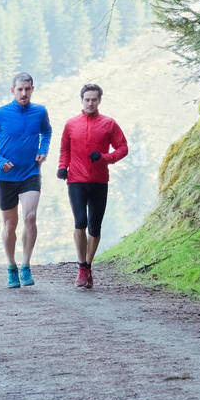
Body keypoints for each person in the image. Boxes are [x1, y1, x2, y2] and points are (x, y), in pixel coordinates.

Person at [57, 83, 128, 290]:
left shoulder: (109, 124)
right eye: (87, 99)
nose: (90, 103)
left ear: (99, 100)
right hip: (76, 180)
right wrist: (62, 167)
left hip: (99, 181)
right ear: (82, 100)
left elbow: (123, 148)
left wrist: (105, 157)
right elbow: (64, 149)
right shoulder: (71, 124)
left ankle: (88, 265)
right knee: (80, 222)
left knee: (95, 226)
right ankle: (81, 267)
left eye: (94, 99)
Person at [0, 72, 52, 289]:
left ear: (32, 89)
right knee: (9, 225)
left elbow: (47, 132)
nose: (24, 93)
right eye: (20, 89)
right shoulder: (0, 114)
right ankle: (11, 266)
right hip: (6, 177)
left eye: (27, 89)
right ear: (13, 90)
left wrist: (43, 150)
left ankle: (26, 265)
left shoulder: (40, 112)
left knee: (30, 217)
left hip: (31, 172)